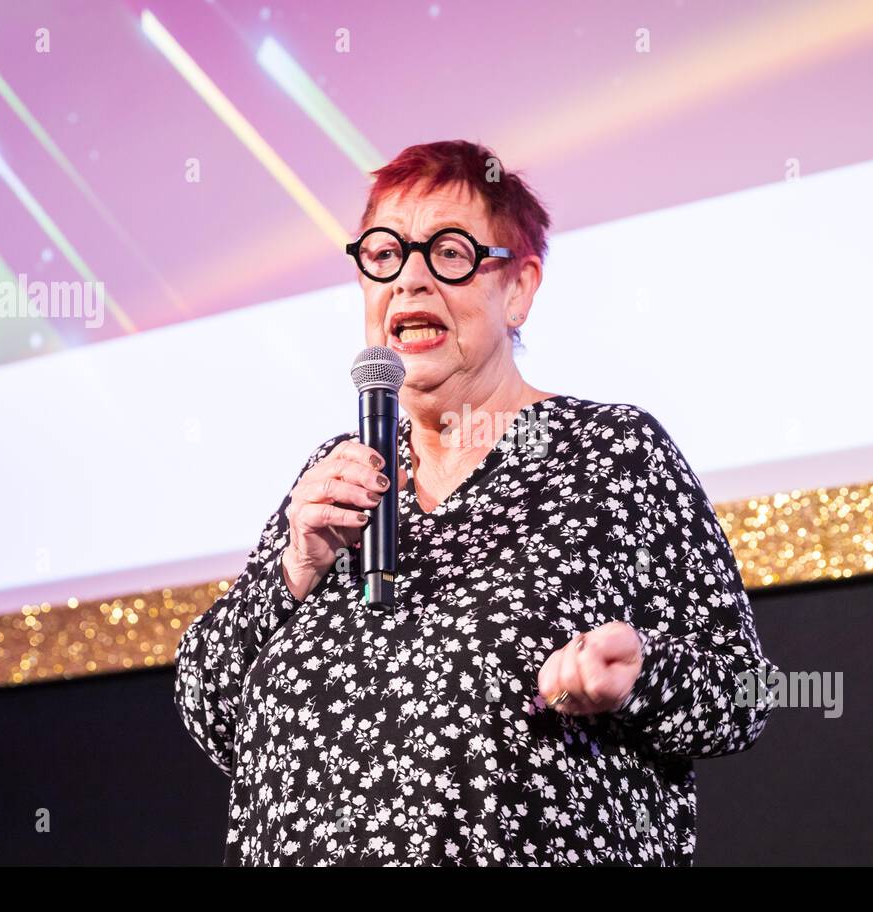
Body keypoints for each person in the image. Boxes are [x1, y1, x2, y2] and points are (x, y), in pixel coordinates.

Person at [174, 140, 777, 865]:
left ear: (517, 288)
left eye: (449, 253)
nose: (410, 281)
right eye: (384, 253)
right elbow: (212, 713)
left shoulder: (612, 453)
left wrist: (640, 679)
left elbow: (743, 693)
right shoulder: (336, 478)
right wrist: (294, 568)